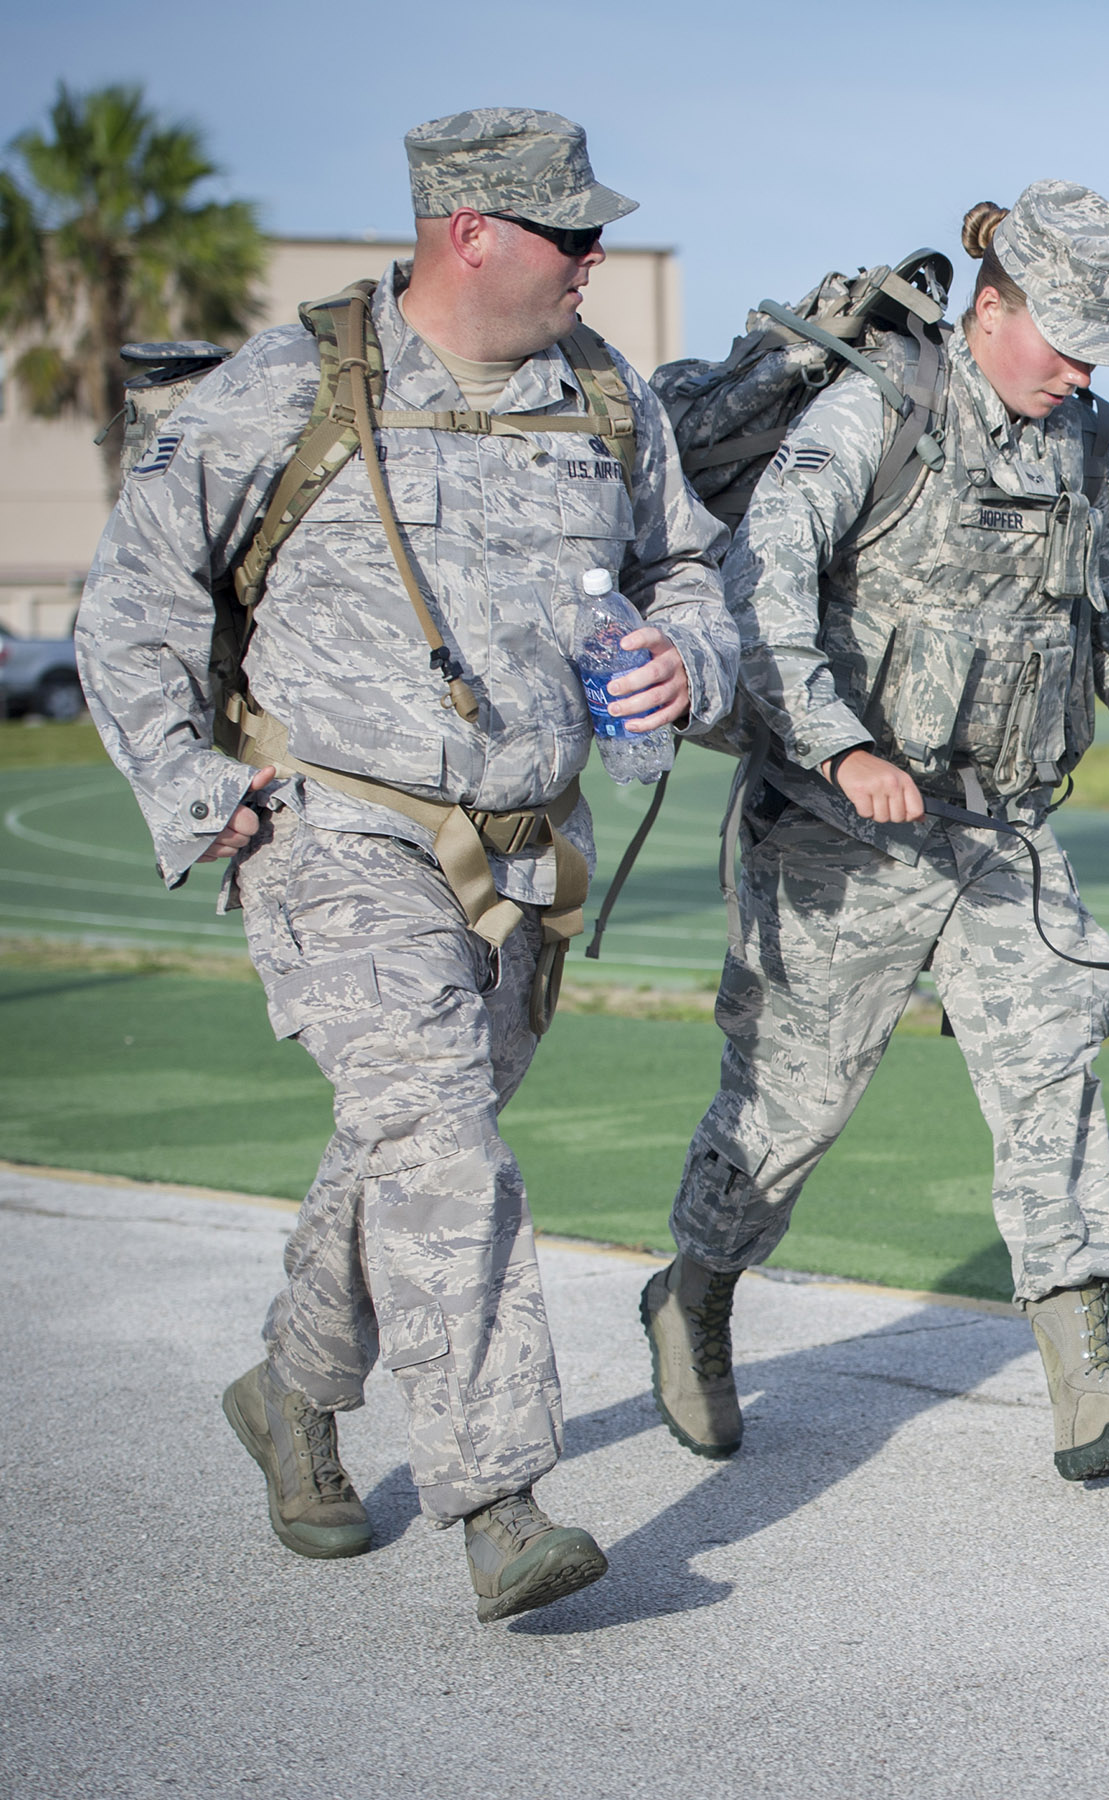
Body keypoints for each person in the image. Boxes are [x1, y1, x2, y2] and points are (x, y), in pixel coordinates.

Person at [77, 110, 738, 1622]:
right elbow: (134, 599)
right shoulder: (293, 385)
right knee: (443, 1148)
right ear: (469, 232)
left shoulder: (606, 393)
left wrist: (684, 658)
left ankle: (293, 1390)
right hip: (334, 831)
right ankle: (499, 1499)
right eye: (569, 234)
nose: (594, 259)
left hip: (518, 853)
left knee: (402, 1153)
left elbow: (692, 565)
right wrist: (190, 786)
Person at [642, 182, 1109, 1484]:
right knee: (787, 1113)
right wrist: (841, 746)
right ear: (995, 304)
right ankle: (692, 1295)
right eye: (1063, 343)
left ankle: (1086, 1384)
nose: (1079, 373)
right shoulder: (880, 411)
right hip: (837, 830)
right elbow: (760, 594)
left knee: (1051, 1067)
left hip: (1002, 830)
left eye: (1099, 353)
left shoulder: (1083, 437)